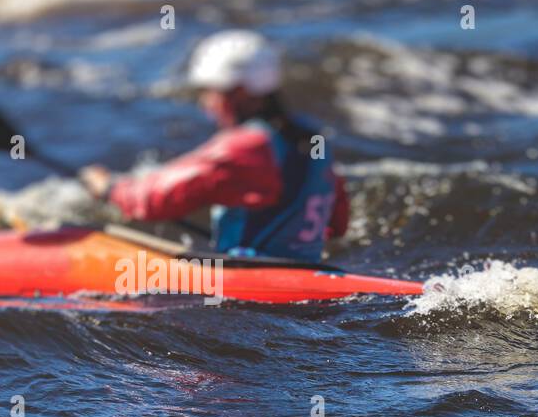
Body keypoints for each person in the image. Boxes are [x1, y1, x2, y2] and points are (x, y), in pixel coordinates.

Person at [79, 30, 348, 262]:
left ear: (240, 92)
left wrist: (109, 187)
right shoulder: (311, 138)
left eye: (211, 93)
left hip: (254, 287)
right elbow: (337, 223)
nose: (206, 104)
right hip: (307, 272)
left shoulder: (244, 147)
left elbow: (154, 199)